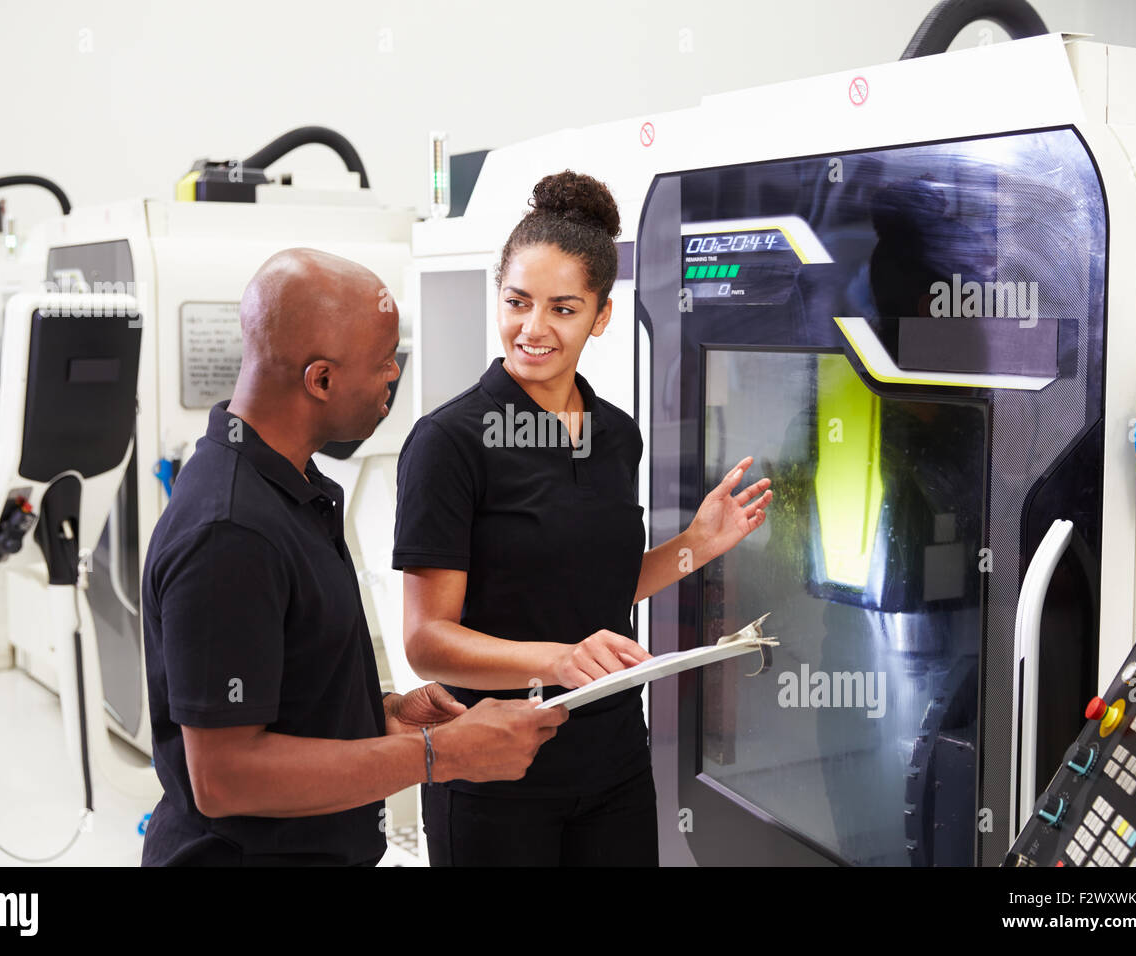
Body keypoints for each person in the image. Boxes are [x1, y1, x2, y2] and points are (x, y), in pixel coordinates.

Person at [141, 247, 567, 866]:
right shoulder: (230, 532)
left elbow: (283, 702)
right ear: (321, 379)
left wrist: (384, 716)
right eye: (383, 363)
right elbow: (226, 777)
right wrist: (441, 756)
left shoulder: (292, 490)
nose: (395, 374)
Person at [394, 171, 773, 866]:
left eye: (563, 309)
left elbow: (594, 589)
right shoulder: (449, 443)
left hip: (613, 758)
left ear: (601, 316)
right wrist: (555, 660)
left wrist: (695, 545)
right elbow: (427, 640)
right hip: (493, 761)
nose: (532, 329)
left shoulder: (615, 435)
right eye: (517, 302)